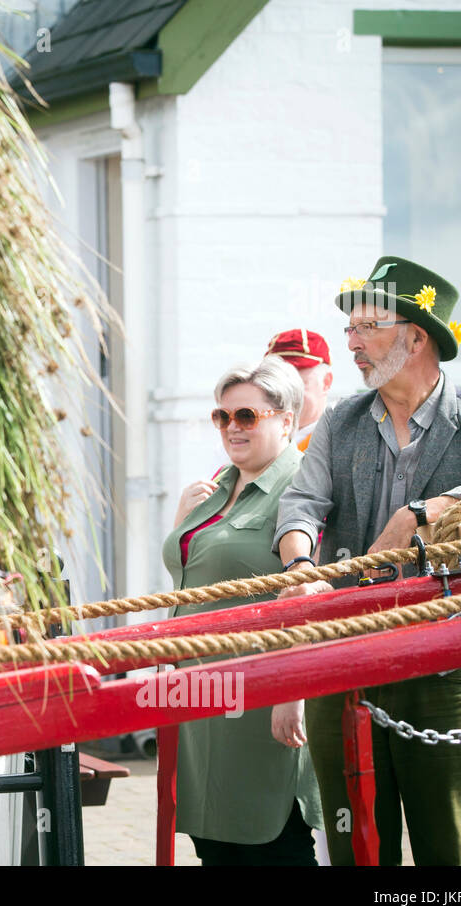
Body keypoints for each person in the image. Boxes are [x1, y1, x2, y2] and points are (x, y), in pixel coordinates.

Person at [275, 255, 461, 866]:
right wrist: (298, 569)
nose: (352, 343)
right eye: (350, 329)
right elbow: (301, 503)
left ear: (416, 337)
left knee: (444, 849)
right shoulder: (340, 419)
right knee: (353, 843)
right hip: (343, 649)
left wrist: (421, 512)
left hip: (444, 660)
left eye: (368, 326)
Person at [163, 356, 324, 865]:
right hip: (201, 698)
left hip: (261, 697)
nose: (232, 427)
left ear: (285, 418)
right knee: (214, 843)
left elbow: (312, 592)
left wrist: (293, 690)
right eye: (222, 416)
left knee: (272, 843)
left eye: (247, 416)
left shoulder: (300, 488)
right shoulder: (217, 485)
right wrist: (183, 520)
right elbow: (193, 575)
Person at [265, 329, 334, 451]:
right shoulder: (244, 439)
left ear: (326, 382)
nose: (284, 394)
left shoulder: (343, 441)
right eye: (275, 383)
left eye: (297, 383)